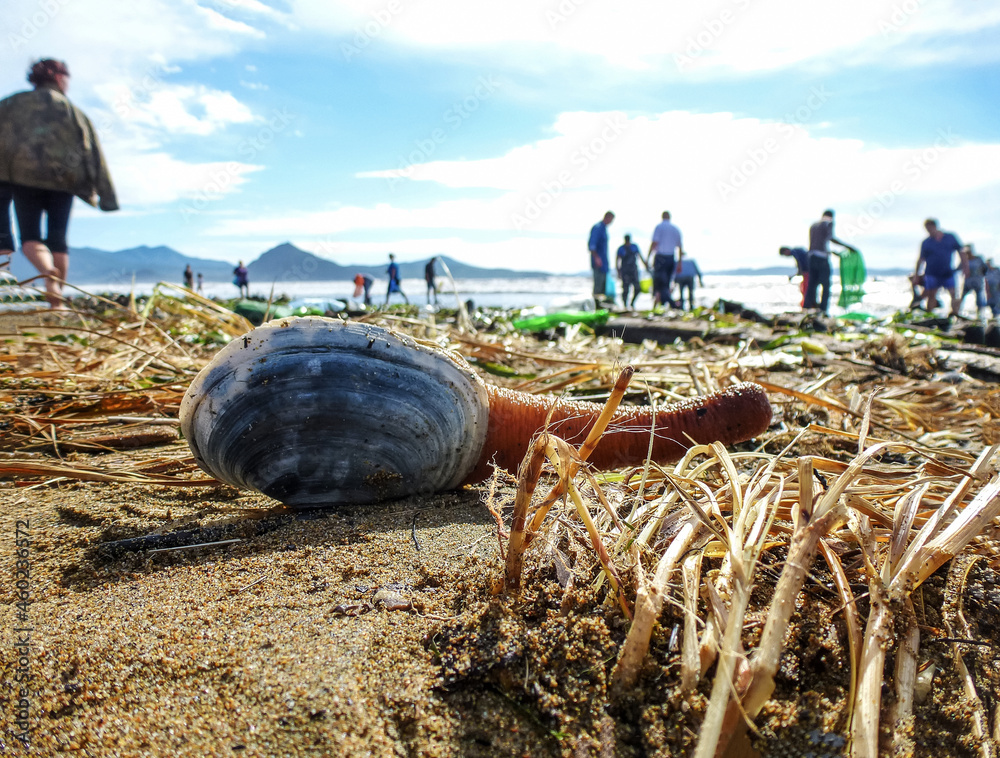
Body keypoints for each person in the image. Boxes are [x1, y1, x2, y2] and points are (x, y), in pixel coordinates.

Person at [0, 58, 118, 309]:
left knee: (30, 236)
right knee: (58, 239)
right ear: (58, 77)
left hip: (23, 178)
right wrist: (107, 197)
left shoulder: (11, 104)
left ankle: (47, 272)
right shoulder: (72, 110)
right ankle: (57, 302)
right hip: (65, 181)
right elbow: (94, 151)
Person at [804, 210, 856, 315]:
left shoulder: (814, 226)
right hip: (822, 258)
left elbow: (816, 242)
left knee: (812, 284)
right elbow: (831, 238)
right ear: (831, 216)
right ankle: (823, 309)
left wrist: (830, 251)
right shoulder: (828, 224)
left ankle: (807, 308)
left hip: (811, 257)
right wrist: (847, 246)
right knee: (826, 285)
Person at [915, 218, 965, 318]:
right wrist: (916, 274)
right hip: (931, 273)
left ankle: (955, 314)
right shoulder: (926, 242)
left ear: (934, 226)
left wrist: (964, 266)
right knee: (931, 295)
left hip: (947, 273)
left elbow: (961, 251)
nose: (928, 231)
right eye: (926, 229)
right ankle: (929, 316)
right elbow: (921, 259)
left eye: (929, 229)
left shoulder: (950, 237)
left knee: (954, 294)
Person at [647, 211, 683, 309]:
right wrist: (680, 263)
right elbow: (680, 248)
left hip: (660, 258)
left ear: (662, 217)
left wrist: (648, 257)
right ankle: (665, 304)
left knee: (659, 283)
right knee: (666, 283)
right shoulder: (675, 229)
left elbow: (654, 243)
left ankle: (670, 304)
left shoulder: (659, 227)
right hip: (671, 258)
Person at [588, 211, 614, 309]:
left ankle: (600, 308)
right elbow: (592, 245)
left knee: (602, 287)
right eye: (611, 219)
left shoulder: (604, 229)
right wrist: (597, 258)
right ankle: (595, 307)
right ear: (607, 217)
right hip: (598, 262)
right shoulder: (598, 227)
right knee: (598, 287)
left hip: (604, 264)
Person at [615, 234, 645, 309]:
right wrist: (618, 271)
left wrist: (646, 265)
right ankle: (625, 305)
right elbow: (617, 260)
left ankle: (632, 303)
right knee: (625, 289)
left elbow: (640, 256)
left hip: (633, 270)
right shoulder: (621, 249)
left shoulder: (634, 247)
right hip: (625, 271)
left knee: (638, 288)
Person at [958, 244, 987, 318]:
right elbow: (958, 269)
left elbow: (985, 269)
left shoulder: (979, 259)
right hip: (967, 283)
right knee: (961, 297)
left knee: (979, 299)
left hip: (978, 282)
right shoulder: (964, 261)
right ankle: (957, 311)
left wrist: (983, 276)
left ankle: (980, 315)